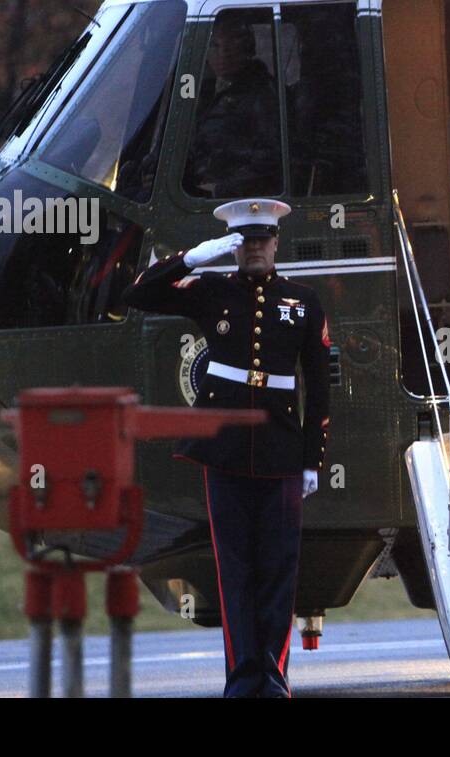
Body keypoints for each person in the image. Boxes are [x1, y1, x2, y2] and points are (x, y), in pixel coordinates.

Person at [122, 199, 330, 697]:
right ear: (235, 247)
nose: (254, 249)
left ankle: (273, 675)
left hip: (280, 448)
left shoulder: (302, 300)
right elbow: (139, 294)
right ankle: (241, 678)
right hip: (225, 450)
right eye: (245, 242)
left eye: (262, 240)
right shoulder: (211, 291)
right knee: (233, 568)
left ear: (276, 242)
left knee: (278, 570)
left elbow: (319, 384)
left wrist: (313, 458)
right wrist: (195, 256)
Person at [184, 12, 283, 198]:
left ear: (248, 49)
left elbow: (272, 158)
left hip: (234, 201)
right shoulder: (200, 92)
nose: (223, 54)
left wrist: (226, 187)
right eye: (215, 45)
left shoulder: (264, 95)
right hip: (194, 191)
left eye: (232, 45)